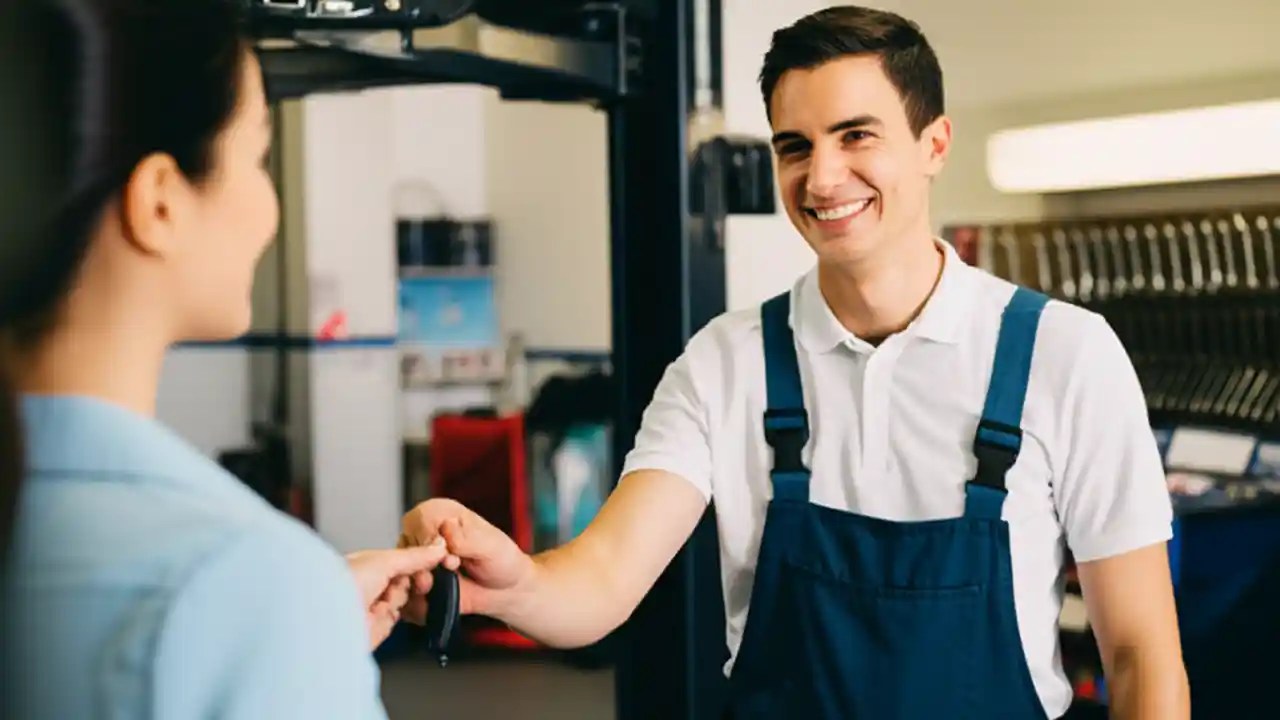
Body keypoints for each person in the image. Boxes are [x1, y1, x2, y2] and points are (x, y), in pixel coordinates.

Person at [401, 6, 1190, 719]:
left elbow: (1141, 655)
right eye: (794, 146)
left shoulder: (1065, 355)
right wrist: (513, 584)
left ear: (934, 145)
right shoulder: (726, 364)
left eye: (856, 136)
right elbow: (603, 579)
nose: (820, 178)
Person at [0, 1, 456, 718]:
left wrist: (295, 628)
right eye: (258, 156)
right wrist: (278, 626)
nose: (268, 204)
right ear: (159, 205)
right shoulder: (244, 579)